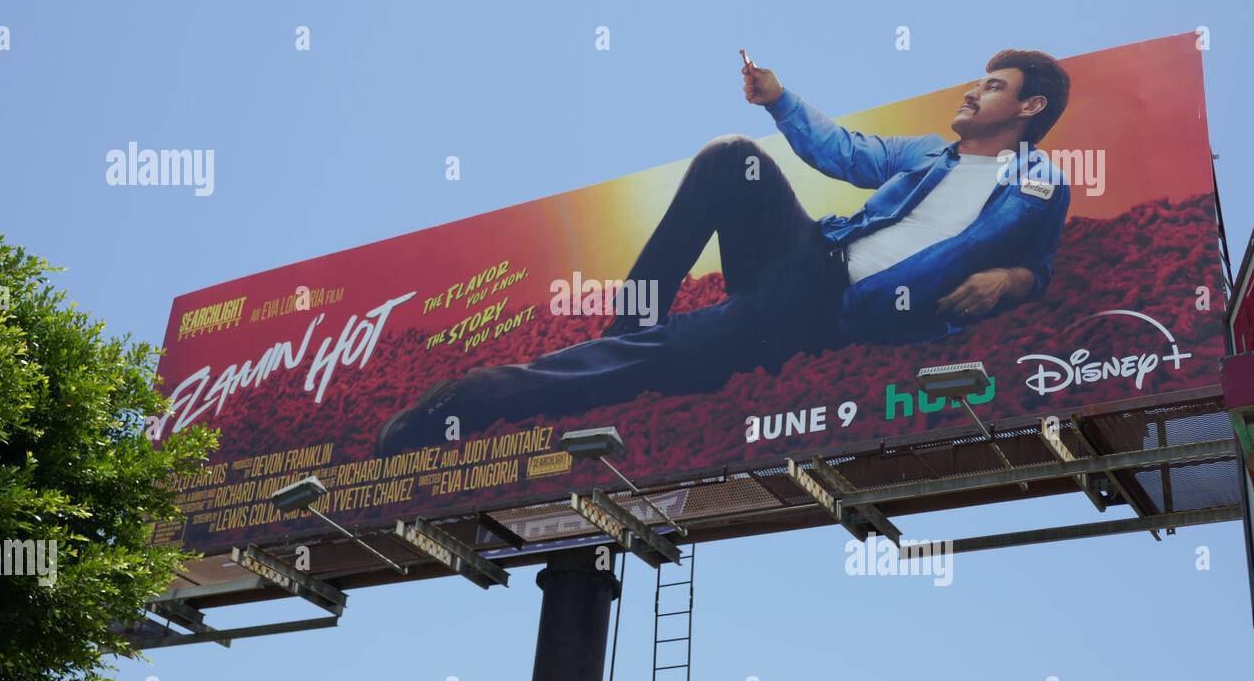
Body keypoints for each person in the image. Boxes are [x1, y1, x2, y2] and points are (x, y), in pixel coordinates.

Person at [377, 49, 1072, 456]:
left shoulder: (1038, 183)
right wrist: (779, 100)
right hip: (810, 254)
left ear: (1029, 108)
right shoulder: (927, 152)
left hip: (832, 310)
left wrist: (1011, 279)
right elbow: (847, 153)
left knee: (678, 350)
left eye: (992, 85)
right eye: (979, 80)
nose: (972, 90)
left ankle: (471, 399)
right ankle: (628, 324)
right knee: (731, 159)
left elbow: (1037, 267)